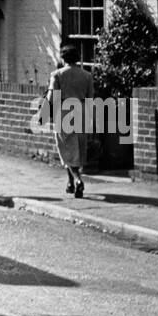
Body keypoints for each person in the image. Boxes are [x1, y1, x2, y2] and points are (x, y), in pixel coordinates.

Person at [48, 43, 93, 199]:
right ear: (77, 58)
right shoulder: (87, 76)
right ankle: (70, 183)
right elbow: (90, 98)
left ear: (63, 58)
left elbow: (52, 97)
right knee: (76, 150)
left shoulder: (57, 75)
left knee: (66, 149)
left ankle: (78, 179)